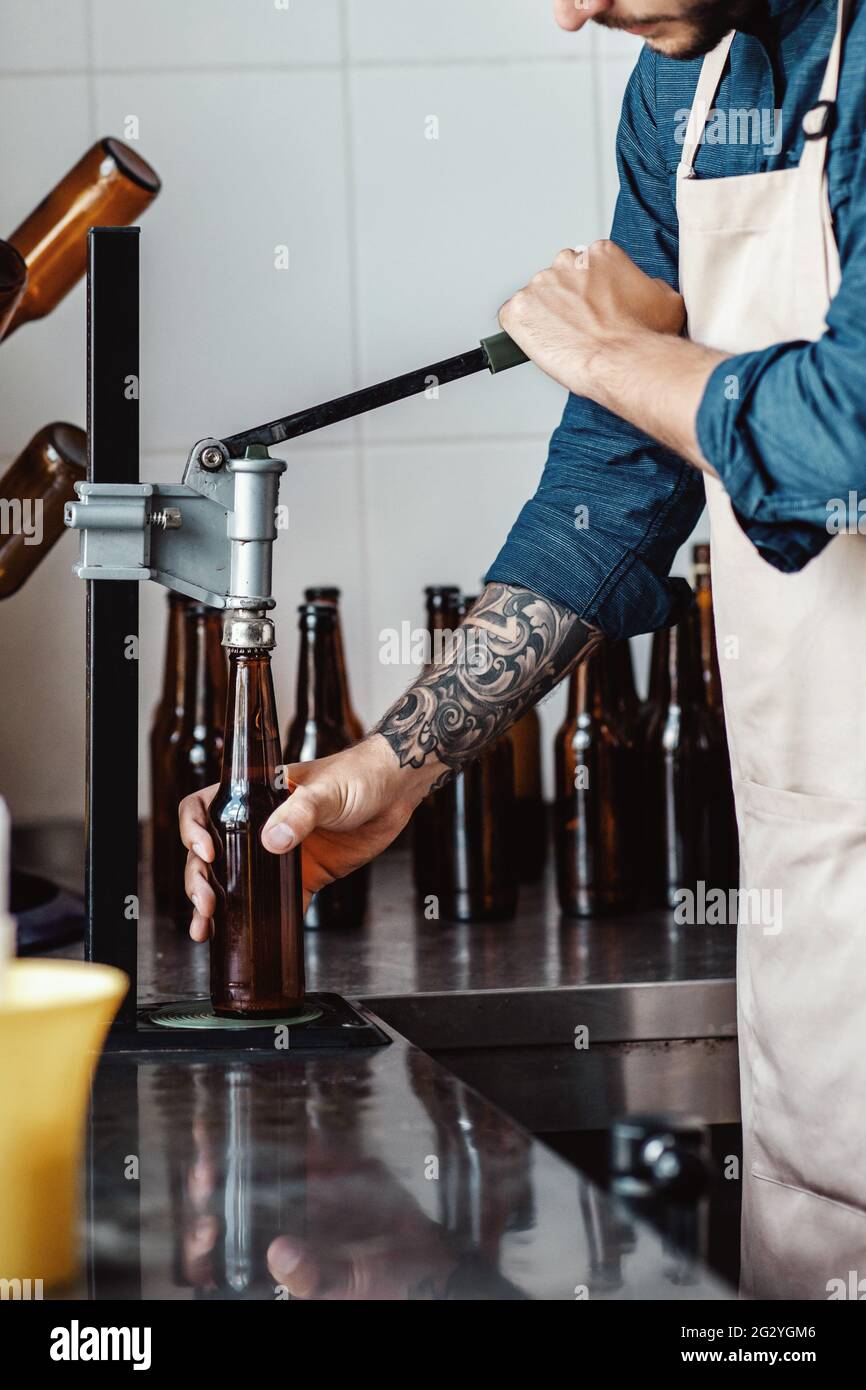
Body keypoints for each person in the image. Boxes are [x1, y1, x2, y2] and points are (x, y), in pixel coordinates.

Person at [180, 0, 866, 1298]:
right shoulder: (683, 87)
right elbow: (608, 485)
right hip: (826, 982)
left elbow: (850, 433)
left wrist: (611, 350)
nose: (571, 14)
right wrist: (393, 765)